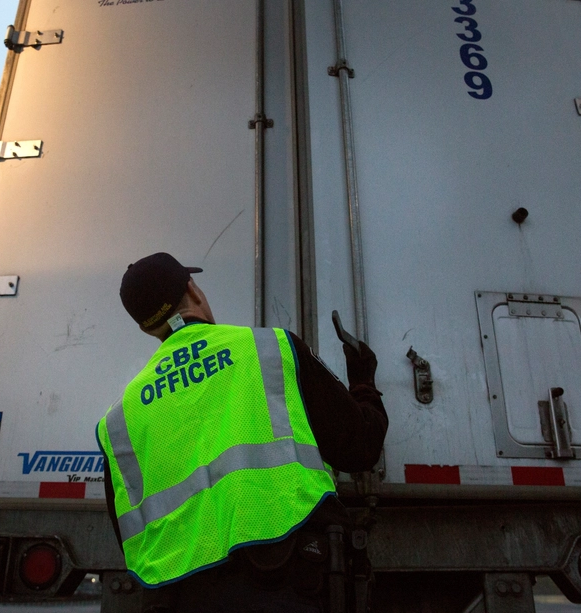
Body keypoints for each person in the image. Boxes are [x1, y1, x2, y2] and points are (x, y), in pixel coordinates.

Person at [96, 252, 387, 612]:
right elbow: (360, 448)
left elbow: (130, 537)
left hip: (181, 599)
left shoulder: (120, 419)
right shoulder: (269, 349)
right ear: (194, 291)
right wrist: (363, 382)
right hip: (289, 585)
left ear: (145, 327)